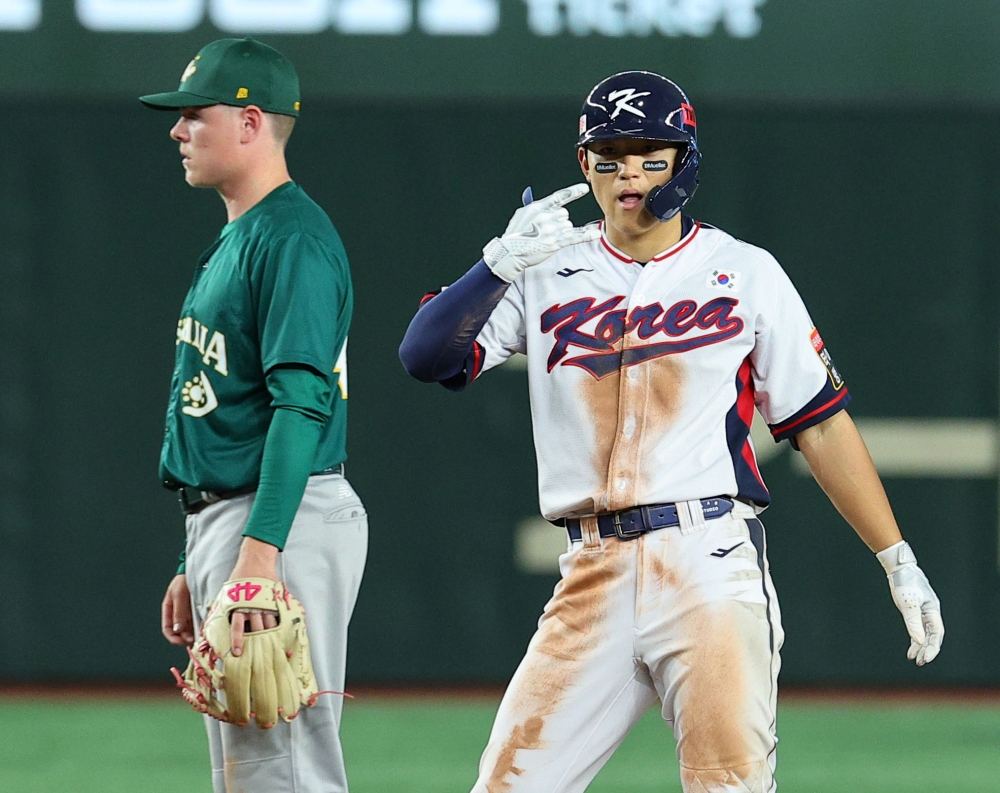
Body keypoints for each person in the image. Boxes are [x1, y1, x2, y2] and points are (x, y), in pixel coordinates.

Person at [398, 71, 943, 793]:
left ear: (685, 160)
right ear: (583, 162)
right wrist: (494, 265)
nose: (629, 173)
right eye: (610, 154)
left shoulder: (744, 272)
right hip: (590, 569)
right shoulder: (544, 266)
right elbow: (424, 356)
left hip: (706, 557)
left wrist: (895, 556)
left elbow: (819, 422)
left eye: (651, 154)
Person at [142, 38, 368, 793]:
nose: (177, 130)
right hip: (242, 517)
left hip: (282, 518)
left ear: (249, 122)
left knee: (286, 770)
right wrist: (195, 552)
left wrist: (259, 552)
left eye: (193, 116)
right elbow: (233, 407)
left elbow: (302, 406)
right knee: (255, 771)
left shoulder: (291, 239)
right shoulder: (247, 233)